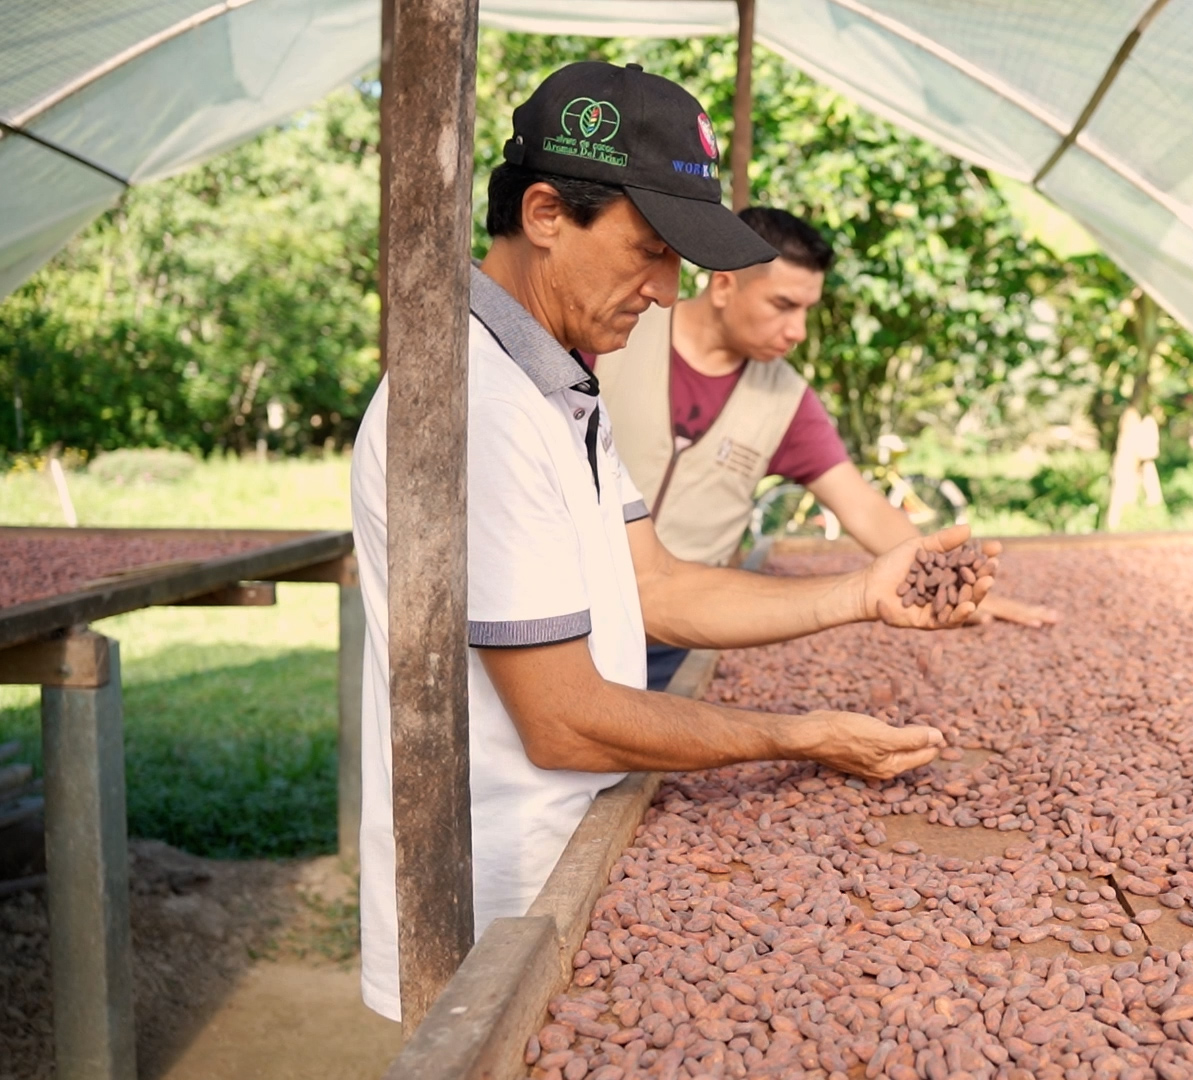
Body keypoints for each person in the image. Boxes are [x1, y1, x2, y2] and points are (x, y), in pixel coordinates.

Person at [348, 62, 996, 1023]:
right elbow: (563, 718)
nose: (661, 291)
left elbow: (653, 584)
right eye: (648, 250)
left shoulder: (555, 382)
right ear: (544, 213)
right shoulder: (474, 407)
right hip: (500, 890)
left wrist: (864, 595)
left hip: (574, 847)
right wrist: (792, 738)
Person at [594, 207, 1061, 691]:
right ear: (724, 285)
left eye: (806, 310)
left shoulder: (787, 399)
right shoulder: (613, 336)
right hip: (569, 616)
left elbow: (860, 505)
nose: (797, 330)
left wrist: (949, 582)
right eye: (782, 305)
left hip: (679, 637)